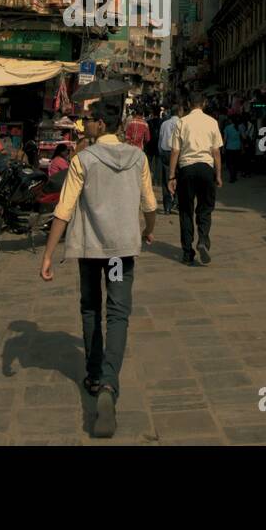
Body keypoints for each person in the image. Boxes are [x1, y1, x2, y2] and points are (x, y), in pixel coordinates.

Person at [40, 100, 157, 439]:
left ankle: (93, 373)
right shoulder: (137, 157)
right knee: (118, 314)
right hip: (121, 254)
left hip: (91, 251)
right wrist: (150, 230)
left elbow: (64, 209)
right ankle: (108, 383)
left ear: (101, 124)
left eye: (88, 120)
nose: (83, 124)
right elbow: (149, 204)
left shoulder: (83, 160)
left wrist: (48, 254)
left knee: (91, 307)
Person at [167, 93, 223, 266]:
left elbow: (175, 151)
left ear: (189, 103)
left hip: (187, 169)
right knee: (205, 208)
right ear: (204, 103)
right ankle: (203, 240)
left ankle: (187, 252)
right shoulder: (212, 122)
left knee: (185, 211)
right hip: (206, 169)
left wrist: (171, 176)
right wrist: (218, 175)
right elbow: (216, 152)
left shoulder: (181, 122)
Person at [157, 103, 180, 214]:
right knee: (179, 176)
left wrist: (160, 152)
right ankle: (177, 201)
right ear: (180, 112)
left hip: (165, 152)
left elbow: (160, 139)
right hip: (178, 153)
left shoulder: (164, 124)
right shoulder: (181, 123)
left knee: (166, 179)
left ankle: (167, 206)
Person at [222, 117, 242, 183]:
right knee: (236, 162)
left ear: (231, 121)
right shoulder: (241, 127)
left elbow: (225, 139)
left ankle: (232, 176)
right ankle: (234, 176)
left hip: (229, 147)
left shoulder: (227, 128)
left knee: (229, 163)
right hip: (237, 147)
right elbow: (244, 137)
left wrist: (223, 147)